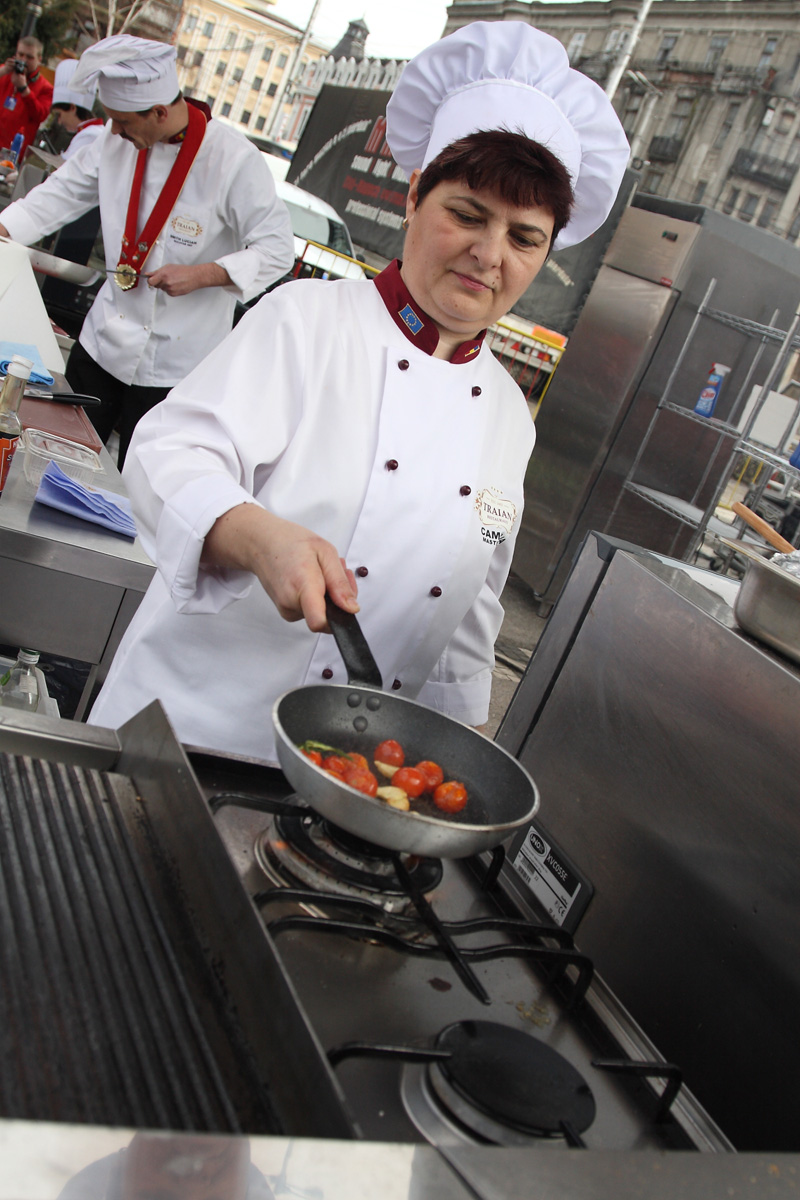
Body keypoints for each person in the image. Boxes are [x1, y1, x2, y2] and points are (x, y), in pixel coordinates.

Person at [88, 21, 629, 762]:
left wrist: (450, 771)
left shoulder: (508, 412)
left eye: (524, 237)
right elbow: (165, 454)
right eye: (467, 214)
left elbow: (471, 609)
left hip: (350, 781)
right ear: (414, 196)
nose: (489, 254)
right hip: (184, 736)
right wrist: (258, 537)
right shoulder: (305, 322)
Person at [0, 35, 294, 465]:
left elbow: (277, 248)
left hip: (176, 367)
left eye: (121, 121)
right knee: (49, 458)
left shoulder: (233, 160)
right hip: (102, 344)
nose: (113, 130)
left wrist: (204, 274)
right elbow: (56, 196)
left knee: (139, 484)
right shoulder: (113, 141)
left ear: (159, 111)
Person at [0, 36, 52, 159]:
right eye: (20, 54)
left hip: (11, 150)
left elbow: (40, 115)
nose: (23, 60)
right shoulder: (5, 73)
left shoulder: (45, 88)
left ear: (39, 59)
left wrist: (24, 90)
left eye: (29, 57)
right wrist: (4, 71)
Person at [50, 58, 104, 160]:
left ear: (72, 108)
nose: (59, 121)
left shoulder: (90, 135)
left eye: (59, 114)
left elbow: (65, 168)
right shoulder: (87, 132)